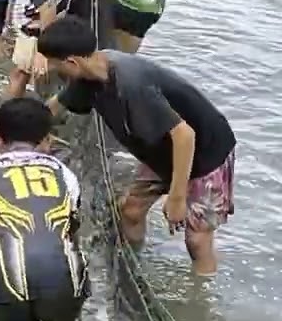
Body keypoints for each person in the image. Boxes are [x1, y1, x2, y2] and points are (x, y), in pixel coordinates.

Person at [40, 16, 237, 276]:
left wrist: (177, 198)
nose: (51, 69)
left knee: (197, 239)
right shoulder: (92, 71)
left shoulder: (131, 85)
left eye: (54, 64)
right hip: (160, 151)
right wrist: (25, 128)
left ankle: (200, 298)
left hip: (204, 154)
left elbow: (184, 136)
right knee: (131, 212)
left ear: (72, 62)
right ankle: (131, 270)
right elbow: (55, 106)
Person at [0, 97, 89, 321]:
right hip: (66, 276)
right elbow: (71, 238)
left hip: (9, 282)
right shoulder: (65, 175)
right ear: (48, 140)